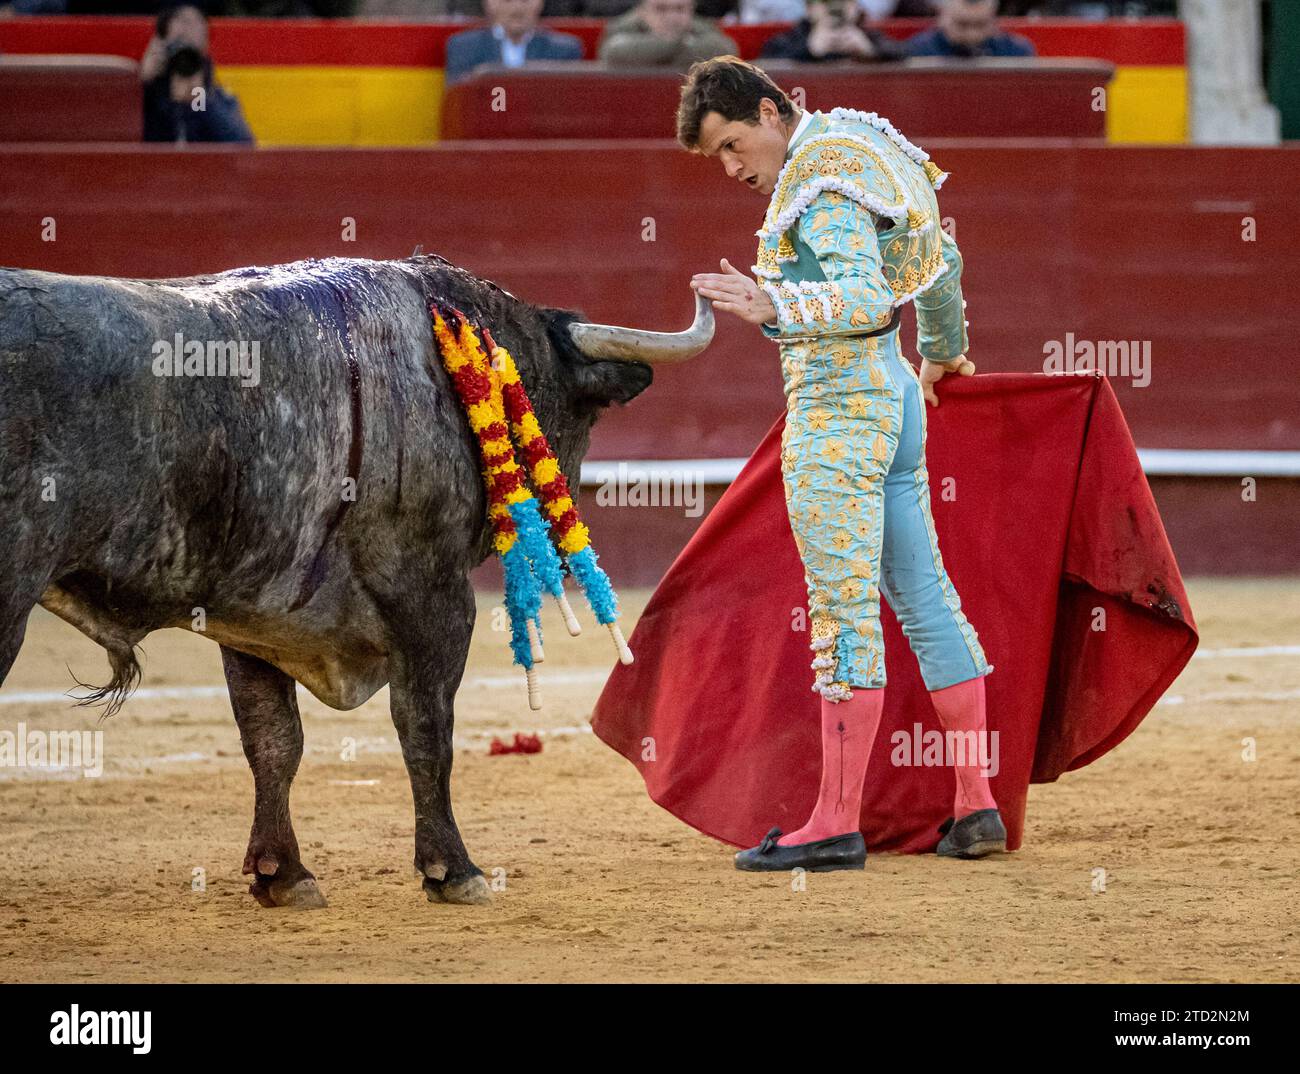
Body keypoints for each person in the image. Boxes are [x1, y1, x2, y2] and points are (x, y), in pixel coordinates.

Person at [680, 56, 1005, 870]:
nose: (732, 169)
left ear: (768, 111)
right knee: (927, 598)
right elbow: (941, 260)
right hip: (894, 398)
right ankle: (975, 806)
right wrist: (941, 354)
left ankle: (833, 820)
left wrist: (774, 302)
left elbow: (862, 298)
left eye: (732, 145)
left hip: (839, 412)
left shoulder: (817, 180)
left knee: (844, 611)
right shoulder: (863, 142)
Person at [142, 5, 255, 143]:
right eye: (182, 21)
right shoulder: (145, 94)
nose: (189, 27)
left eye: (197, 23)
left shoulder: (217, 97)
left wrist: (198, 97)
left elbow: (241, 145)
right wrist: (142, 83)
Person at [445, 0, 585, 85]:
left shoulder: (565, 50)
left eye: (524, 0)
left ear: (539, 3)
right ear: (491, 3)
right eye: (508, 0)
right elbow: (460, 103)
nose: (517, 9)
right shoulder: (463, 47)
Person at [598, 0, 736, 70]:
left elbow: (726, 49)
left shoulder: (702, 26)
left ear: (692, 10)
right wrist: (681, 43)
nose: (671, 17)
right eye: (661, 9)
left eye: (680, 9)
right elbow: (613, 52)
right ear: (642, 12)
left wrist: (649, 54)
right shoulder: (622, 26)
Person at [759, 0, 905, 64]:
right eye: (825, 2)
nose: (834, 9)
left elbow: (904, 54)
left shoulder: (866, 34)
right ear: (809, 9)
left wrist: (870, 50)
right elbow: (769, 62)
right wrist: (809, 49)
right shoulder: (794, 37)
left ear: (856, 7)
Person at [905, 0, 1036, 58]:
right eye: (962, 24)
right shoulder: (916, 52)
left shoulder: (1017, 52)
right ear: (942, 18)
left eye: (980, 24)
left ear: (994, 21)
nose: (972, 34)